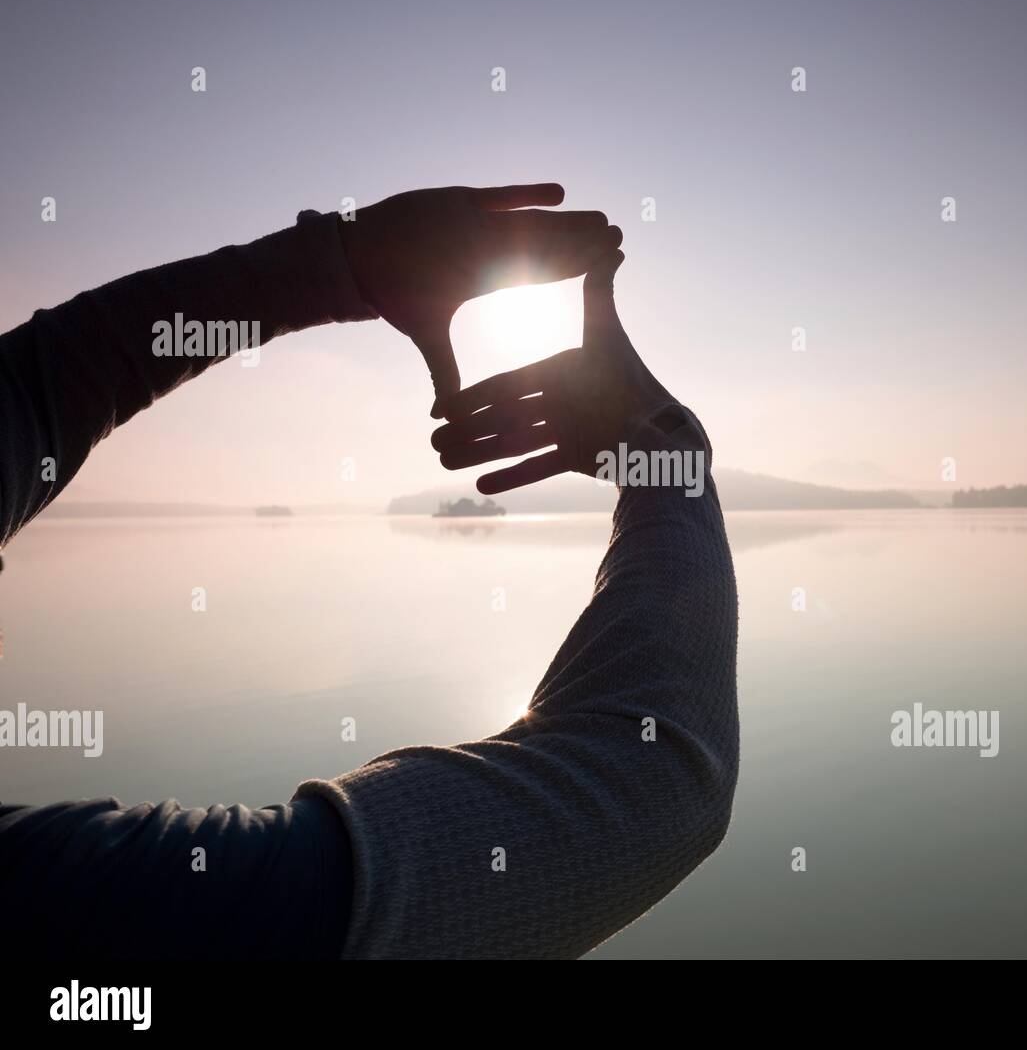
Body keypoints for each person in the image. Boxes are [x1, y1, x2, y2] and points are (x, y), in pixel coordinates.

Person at [0, 185, 739, 959]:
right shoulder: (57, 906)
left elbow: (36, 390)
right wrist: (667, 456)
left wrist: (336, 264)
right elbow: (654, 784)